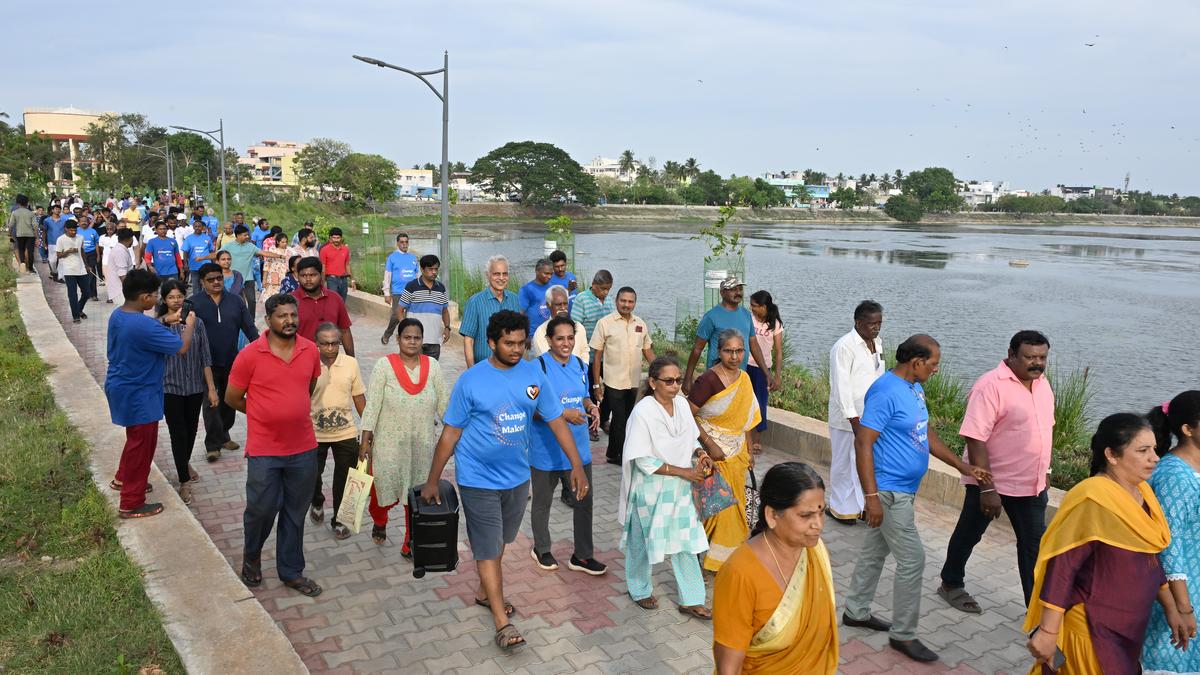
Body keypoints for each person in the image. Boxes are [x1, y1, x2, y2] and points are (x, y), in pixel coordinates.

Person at [421, 310, 588, 652]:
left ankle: (485, 592)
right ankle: (501, 620)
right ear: (492, 343)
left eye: (521, 343)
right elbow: (451, 434)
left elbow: (557, 422)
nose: (516, 349)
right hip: (477, 478)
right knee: (486, 544)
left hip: (516, 478)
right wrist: (432, 481)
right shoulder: (471, 381)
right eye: (508, 343)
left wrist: (577, 465)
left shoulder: (533, 375)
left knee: (501, 540)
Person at [843, 334, 990, 663]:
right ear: (916, 362)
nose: (937, 369)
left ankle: (855, 611)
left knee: (874, 553)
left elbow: (925, 433)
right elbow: (863, 443)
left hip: (903, 490)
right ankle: (903, 635)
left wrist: (962, 465)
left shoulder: (914, 388)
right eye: (934, 363)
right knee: (913, 560)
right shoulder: (885, 391)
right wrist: (872, 498)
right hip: (888, 491)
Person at [1025, 413, 1178, 673]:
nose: (1155, 458)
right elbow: (1062, 567)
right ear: (1112, 455)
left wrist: (1172, 608)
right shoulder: (1092, 498)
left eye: (1154, 448)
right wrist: (1049, 631)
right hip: (1092, 627)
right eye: (1143, 450)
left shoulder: (1143, 492)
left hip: (1128, 626)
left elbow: (1149, 558)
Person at [939, 331, 1055, 611]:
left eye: (1042, 358)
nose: (1037, 363)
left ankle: (1037, 614)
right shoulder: (990, 386)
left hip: (1031, 484)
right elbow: (975, 437)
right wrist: (987, 489)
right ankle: (951, 583)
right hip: (993, 482)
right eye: (1030, 357)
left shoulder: (1042, 385)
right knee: (970, 533)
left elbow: (1045, 430)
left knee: (1033, 548)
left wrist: (1046, 470)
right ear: (1012, 354)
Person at [226, 293, 324, 597]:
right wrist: (262, 413)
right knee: (261, 510)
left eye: (293, 315)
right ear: (267, 320)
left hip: (304, 448)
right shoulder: (250, 355)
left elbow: (308, 387)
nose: (290, 321)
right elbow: (232, 397)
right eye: (282, 316)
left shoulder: (310, 350)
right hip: (264, 450)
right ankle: (251, 558)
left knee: (296, 512)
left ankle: (291, 571)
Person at [712, 462, 838, 674]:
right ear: (772, 515)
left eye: (821, 513)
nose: (818, 525)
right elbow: (729, 666)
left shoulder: (815, 553)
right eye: (806, 516)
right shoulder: (740, 573)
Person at [619, 356, 712, 620]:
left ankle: (692, 599)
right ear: (652, 382)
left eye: (679, 380)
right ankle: (639, 589)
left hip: (681, 487)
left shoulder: (682, 404)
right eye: (668, 381)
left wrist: (700, 453)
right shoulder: (643, 412)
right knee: (642, 541)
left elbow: (691, 436)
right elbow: (642, 458)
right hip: (650, 487)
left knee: (687, 542)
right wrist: (684, 471)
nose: (675, 386)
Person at [105, 269, 195, 518]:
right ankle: (131, 502)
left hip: (121, 385)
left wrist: (165, 321)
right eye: (155, 294)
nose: (157, 299)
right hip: (140, 393)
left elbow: (147, 329)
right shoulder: (144, 324)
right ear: (145, 297)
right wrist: (190, 324)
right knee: (142, 445)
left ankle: (124, 479)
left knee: (135, 440)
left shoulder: (119, 315)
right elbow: (182, 348)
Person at [359, 318, 450, 553]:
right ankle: (380, 522)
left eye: (417, 338)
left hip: (422, 446)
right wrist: (365, 441)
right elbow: (373, 406)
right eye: (407, 337)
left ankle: (410, 541)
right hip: (388, 445)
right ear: (398, 339)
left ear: (422, 340)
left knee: (416, 496)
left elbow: (444, 406)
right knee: (381, 493)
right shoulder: (383, 366)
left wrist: (457, 431)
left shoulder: (433, 367)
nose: (412, 341)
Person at [529, 316, 606, 575]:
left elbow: (583, 396)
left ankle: (583, 556)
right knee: (542, 502)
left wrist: (590, 407)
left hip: (579, 450)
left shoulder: (579, 365)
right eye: (560, 338)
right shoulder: (537, 368)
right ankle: (542, 548)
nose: (566, 343)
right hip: (546, 451)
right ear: (548, 340)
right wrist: (563, 414)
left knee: (584, 502)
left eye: (570, 338)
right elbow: (531, 410)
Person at [688, 328, 761, 572]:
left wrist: (749, 450)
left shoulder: (745, 379)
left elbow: (747, 419)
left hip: (737, 452)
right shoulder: (708, 380)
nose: (734, 356)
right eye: (728, 351)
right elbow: (688, 416)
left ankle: (726, 561)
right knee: (717, 508)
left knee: (735, 508)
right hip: (712, 453)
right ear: (718, 352)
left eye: (739, 351)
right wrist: (709, 444)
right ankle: (709, 558)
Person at [1142, 392, 1200, 674]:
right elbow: (1168, 546)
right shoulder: (1174, 476)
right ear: (1187, 430)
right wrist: (1183, 608)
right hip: (1180, 595)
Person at [157, 278, 218, 506]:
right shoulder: (159, 324)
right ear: (164, 300)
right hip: (169, 386)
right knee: (177, 432)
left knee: (191, 430)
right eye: (171, 297)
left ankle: (184, 462)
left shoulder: (197, 323)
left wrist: (211, 389)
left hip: (194, 386)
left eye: (180, 296)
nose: (176, 300)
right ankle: (183, 480)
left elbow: (205, 357)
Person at [190, 262, 259, 463]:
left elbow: (249, 327)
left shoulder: (236, 301)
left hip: (232, 360)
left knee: (230, 401)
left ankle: (224, 434)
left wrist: (262, 347)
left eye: (219, 278)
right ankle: (212, 445)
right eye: (211, 280)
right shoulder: (194, 303)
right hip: (205, 364)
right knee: (212, 402)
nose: (216, 282)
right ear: (202, 282)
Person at [826, 300, 886, 525]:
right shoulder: (844, 346)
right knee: (843, 463)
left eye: (879, 323)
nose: (876, 328)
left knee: (862, 462)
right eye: (872, 324)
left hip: (870, 416)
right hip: (848, 418)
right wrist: (853, 419)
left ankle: (860, 507)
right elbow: (841, 386)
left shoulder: (877, 344)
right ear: (858, 322)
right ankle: (839, 508)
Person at [308, 323, 367, 540]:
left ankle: (339, 519)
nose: (331, 348)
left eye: (335, 343)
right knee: (312, 475)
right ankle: (316, 500)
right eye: (325, 343)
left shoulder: (351, 364)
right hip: (313, 433)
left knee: (345, 477)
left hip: (346, 433)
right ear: (316, 344)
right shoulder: (308, 362)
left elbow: (358, 397)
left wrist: (368, 430)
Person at [590, 287, 655, 465]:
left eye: (630, 301)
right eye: (623, 301)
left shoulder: (640, 324)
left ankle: (612, 453)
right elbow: (597, 356)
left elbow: (647, 350)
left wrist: (660, 371)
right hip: (613, 381)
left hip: (633, 382)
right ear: (617, 301)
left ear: (635, 303)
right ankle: (620, 455)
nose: (626, 305)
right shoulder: (605, 323)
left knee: (629, 418)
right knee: (618, 420)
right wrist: (597, 384)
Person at [684, 277, 778, 397]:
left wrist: (767, 374)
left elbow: (754, 346)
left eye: (740, 289)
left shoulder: (746, 315)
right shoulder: (711, 316)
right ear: (722, 292)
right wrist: (688, 378)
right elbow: (697, 348)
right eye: (733, 289)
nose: (738, 292)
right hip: (717, 377)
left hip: (739, 376)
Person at [571, 270, 614, 441]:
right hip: (588, 356)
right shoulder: (581, 299)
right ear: (594, 285)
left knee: (610, 390)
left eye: (608, 289)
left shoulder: (610, 301)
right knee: (589, 391)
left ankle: (603, 420)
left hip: (607, 356)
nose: (605, 292)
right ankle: (590, 425)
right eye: (603, 289)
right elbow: (575, 327)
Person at [458, 255, 520, 367]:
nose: (501, 278)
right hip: (483, 367)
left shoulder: (515, 300)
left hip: (510, 368)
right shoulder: (475, 302)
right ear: (488, 275)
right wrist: (472, 371)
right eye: (496, 274)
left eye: (504, 274)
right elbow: (468, 340)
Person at [292, 257, 355, 356]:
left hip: (331, 359)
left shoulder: (335, 298)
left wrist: (351, 360)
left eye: (312, 275)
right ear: (297, 276)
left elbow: (345, 331)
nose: (308, 279)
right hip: (301, 360)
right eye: (303, 275)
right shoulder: (291, 301)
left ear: (321, 275)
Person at [393, 254, 450, 358]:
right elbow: (399, 310)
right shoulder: (412, 286)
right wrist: (405, 328)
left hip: (434, 341)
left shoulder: (441, 288)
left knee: (431, 371)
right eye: (430, 269)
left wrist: (447, 328)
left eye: (436, 269)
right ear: (422, 269)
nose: (434, 272)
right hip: (414, 342)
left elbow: (445, 311)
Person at [221, 224, 283, 318]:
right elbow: (217, 255)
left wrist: (280, 256)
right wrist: (203, 258)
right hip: (235, 278)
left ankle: (251, 321)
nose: (247, 237)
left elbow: (264, 253)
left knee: (252, 301)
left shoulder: (250, 246)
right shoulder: (228, 246)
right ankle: (239, 320)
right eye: (245, 235)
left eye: (247, 235)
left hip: (248, 278)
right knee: (238, 301)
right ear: (238, 235)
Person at [747, 290, 783, 439]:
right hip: (746, 364)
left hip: (763, 369)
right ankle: (744, 437)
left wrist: (777, 375)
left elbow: (779, 351)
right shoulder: (749, 319)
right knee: (745, 401)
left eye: (754, 305)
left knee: (760, 402)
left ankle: (757, 438)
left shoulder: (775, 324)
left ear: (763, 306)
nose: (751, 308)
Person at [532, 285, 589, 362]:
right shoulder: (541, 332)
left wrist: (582, 370)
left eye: (565, 304)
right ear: (548, 305)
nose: (563, 308)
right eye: (558, 305)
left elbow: (584, 352)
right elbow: (545, 361)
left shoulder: (579, 327)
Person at [381, 232, 419, 343]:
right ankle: (387, 334)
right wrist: (387, 293)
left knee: (409, 317)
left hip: (412, 292)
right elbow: (387, 275)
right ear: (397, 243)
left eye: (406, 242)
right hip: (398, 292)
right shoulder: (392, 258)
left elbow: (418, 275)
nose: (404, 244)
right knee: (396, 315)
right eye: (402, 242)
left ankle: (404, 337)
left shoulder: (413, 258)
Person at [56, 221, 92, 324]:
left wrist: (87, 265)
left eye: (75, 230)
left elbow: (82, 251)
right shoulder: (61, 239)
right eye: (71, 230)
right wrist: (68, 251)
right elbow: (58, 255)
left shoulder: (80, 237)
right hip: (68, 270)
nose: (73, 232)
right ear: (66, 229)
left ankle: (79, 308)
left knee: (87, 292)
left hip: (81, 268)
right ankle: (76, 316)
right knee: (72, 294)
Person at [518, 259, 555, 331]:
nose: (549, 276)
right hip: (533, 334)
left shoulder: (553, 287)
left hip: (551, 333)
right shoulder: (526, 289)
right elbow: (520, 314)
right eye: (546, 273)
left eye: (551, 274)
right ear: (537, 271)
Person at [318, 227, 354, 300]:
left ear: (341, 238)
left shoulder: (346, 249)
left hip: (344, 279)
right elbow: (323, 267)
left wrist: (352, 280)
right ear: (330, 238)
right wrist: (322, 283)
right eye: (334, 238)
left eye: (338, 238)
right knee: (333, 300)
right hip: (331, 280)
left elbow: (347, 265)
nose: (336, 240)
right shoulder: (324, 250)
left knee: (342, 301)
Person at [104, 228, 137, 305]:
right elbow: (122, 274)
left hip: (122, 289)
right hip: (121, 290)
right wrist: (131, 289)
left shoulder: (121, 249)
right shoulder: (120, 251)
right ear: (130, 239)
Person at [182, 221, 216, 291]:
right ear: (193, 227)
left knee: (207, 286)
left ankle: (206, 300)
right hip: (194, 266)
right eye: (196, 226)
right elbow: (185, 252)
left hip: (206, 266)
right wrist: (185, 264)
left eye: (199, 226)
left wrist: (214, 263)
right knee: (196, 287)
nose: (197, 228)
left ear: (202, 227)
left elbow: (211, 251)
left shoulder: (207, 238)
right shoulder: (188, 238)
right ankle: (197, 301)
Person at [9, 195, 37, 273]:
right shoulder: (30, 213)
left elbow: (11, 224)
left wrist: (9, 233)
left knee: (20, 249)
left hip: (19, 234)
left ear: (18, 202)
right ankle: (30, 268)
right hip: (30, 234)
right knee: (30, 251)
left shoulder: (14, 211)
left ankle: (22, 265)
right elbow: (35, 226)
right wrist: (37, 237)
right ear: (27, 203)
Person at [45, 204, 70, 281]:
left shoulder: (64, 220)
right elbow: (44, 232)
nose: (57, 210)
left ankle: (60, 277)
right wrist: (43, 242)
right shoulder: (47, 220)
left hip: (62, 243)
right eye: (56, 209)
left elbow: (66, 231)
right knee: (52, 261)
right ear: (52, 210)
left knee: (62, 261)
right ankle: (54, 273)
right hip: (51, 243)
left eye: (59, 209)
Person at [261, 233, 290, 298]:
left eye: (286, 242)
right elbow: (266, 265)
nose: (285, 243)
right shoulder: (272, 250)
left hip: (286, 275)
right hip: (274, 275)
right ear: (277, 242)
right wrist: (264, 279)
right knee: (273, 296)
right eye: (283, 242)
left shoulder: (289, 250)